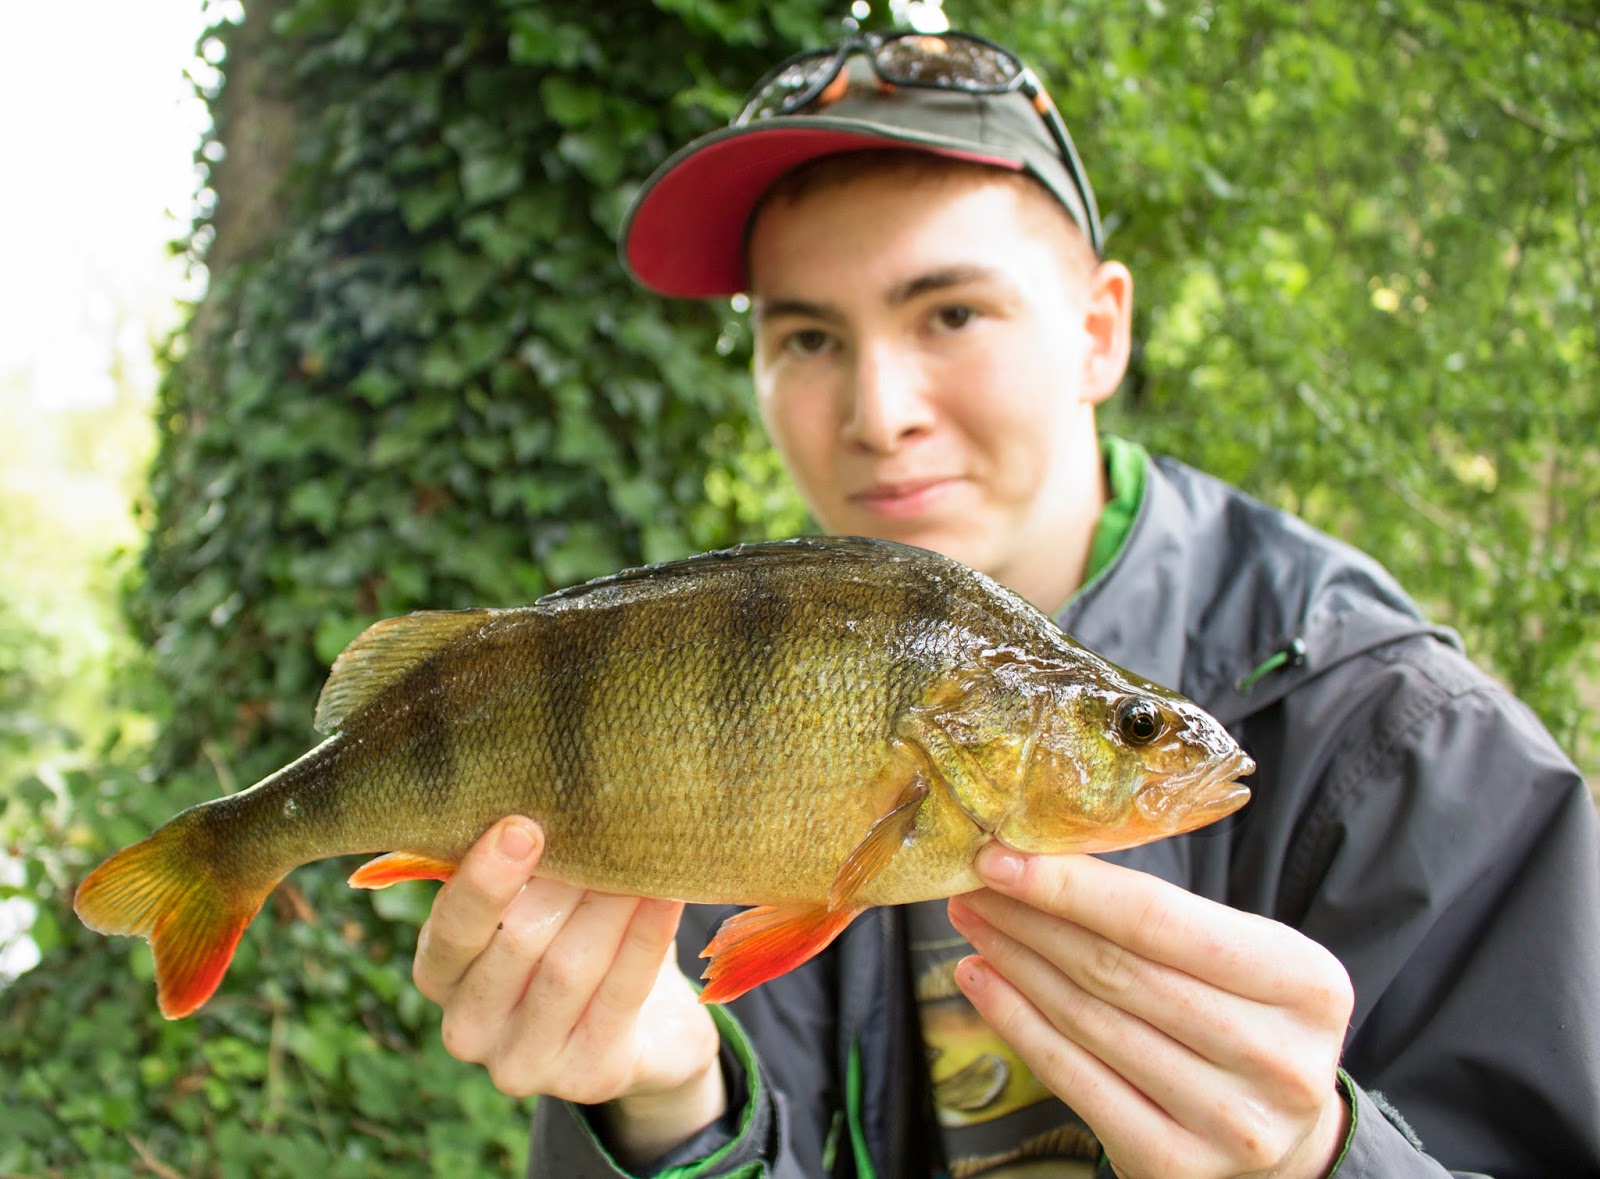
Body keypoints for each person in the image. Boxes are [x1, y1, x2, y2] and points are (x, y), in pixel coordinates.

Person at [409, 29, 1600, 1178]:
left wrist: (1322, 1165)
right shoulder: (694, 697)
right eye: (810, 337)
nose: (879, 411)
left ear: (1099, 331)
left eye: (951, 313)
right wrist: (668, 1117)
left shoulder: (1404, 736)